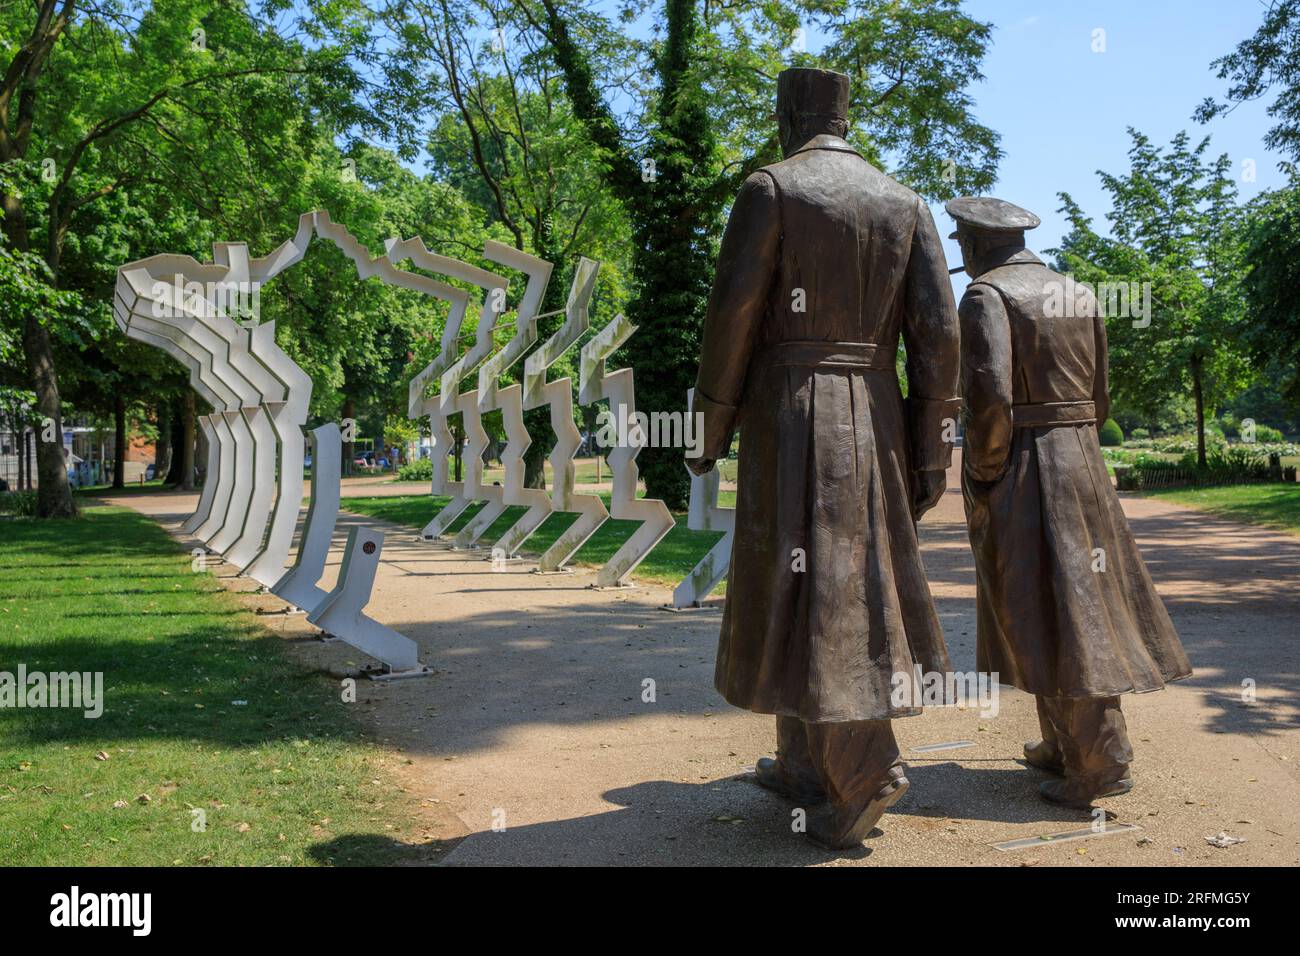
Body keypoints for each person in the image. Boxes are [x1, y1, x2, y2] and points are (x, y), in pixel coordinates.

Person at [688, 67, 961, 848]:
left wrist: (706, 427)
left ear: (786, 115)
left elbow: (731, 319)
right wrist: (930, 446)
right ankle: (802, 763)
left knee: (822, 588)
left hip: (792, 410)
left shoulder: (771, 189)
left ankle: (867, 767)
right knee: (830, 581)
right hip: (872, 411)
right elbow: (938, 341)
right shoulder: (903, 203)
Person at [948, 196, 1193, 808]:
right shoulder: (1077, 293)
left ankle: (1101, 759)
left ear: (975, 244)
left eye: (960, 241)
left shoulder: (987, 297)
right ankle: (1062, 744)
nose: (960, 252)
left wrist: (983, 473)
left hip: (1026, 464)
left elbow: (989, 401)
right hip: (1082, 459)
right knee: (1062, 602)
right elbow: (1101, 398)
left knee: (1054, 607)